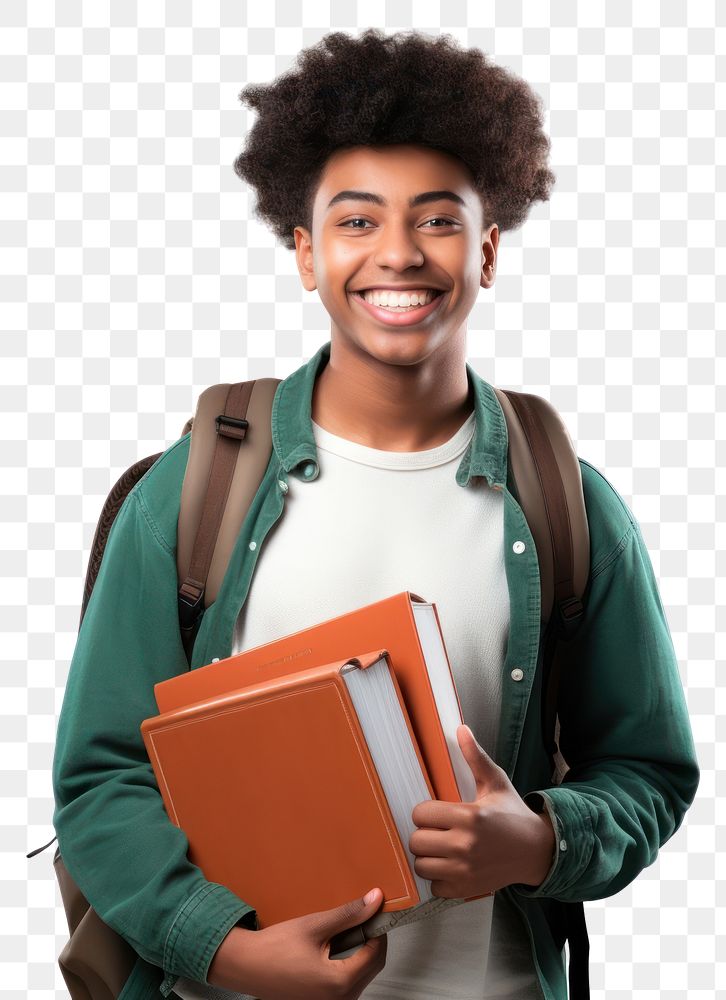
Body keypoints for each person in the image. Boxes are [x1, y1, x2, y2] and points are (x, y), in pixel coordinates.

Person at [52, 29, 700, 1000]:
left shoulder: (568, 500)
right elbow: (101, 778)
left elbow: (647, 768)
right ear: (306, 253)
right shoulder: (195, 491)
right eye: (357, 222)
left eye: (437, 220)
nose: (397, 252)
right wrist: (224, 950)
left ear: (487, 249)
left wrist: (540, 839)